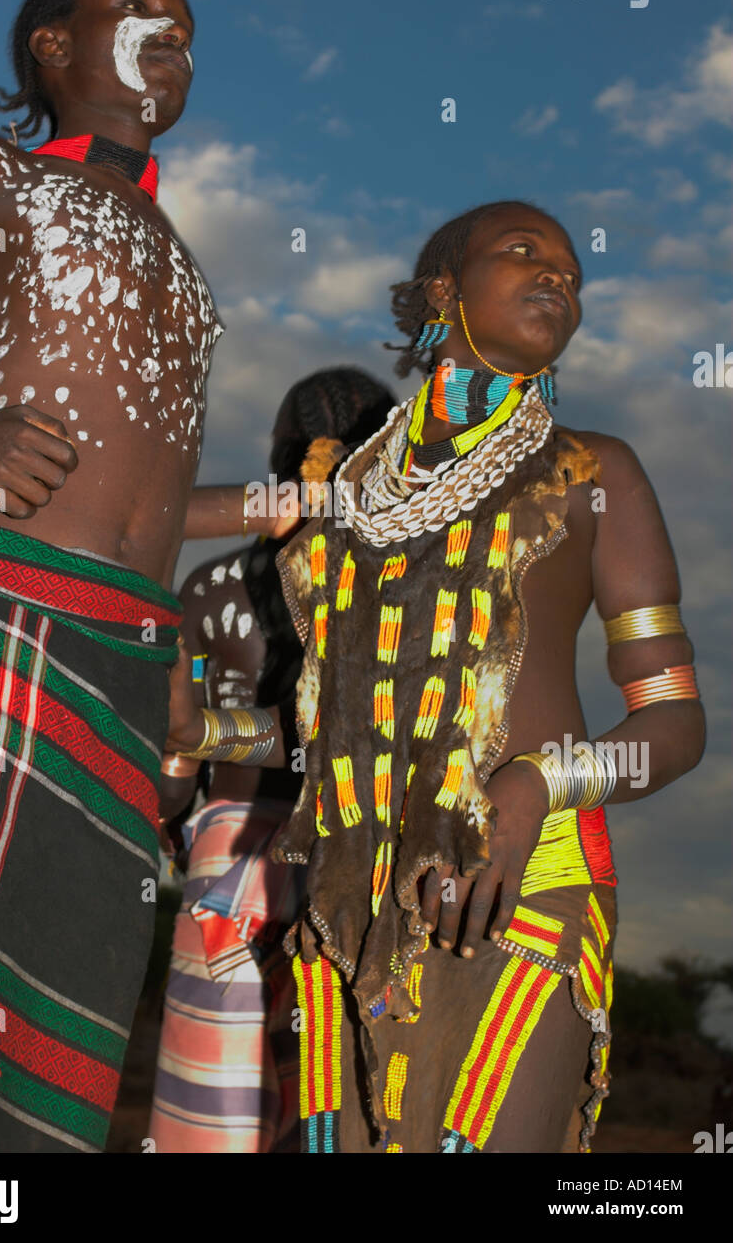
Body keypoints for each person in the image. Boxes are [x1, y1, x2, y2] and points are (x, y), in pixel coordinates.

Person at [165, 200, 705, 1154]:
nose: (559, 278)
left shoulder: (592, 473)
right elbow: (338, 729)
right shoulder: (347, 503)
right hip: (352, 910)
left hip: (525, 888)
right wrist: (204, 734)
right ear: (444, 292)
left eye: (575, 272)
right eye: (524, 252)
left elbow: (674, 723)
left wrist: (540, 784)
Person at [0, 0, 269, 1153]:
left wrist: (285, 511)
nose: (175, 45)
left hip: (127, 672)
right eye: (141, 15)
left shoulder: (185, 264)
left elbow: (143, 499)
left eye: (189, 33)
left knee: (58, 1044)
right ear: (52, 44)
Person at [150, 366, 395, 1153]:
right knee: (339, 1107)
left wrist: (178, 790)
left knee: (212, 1119)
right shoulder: (405, 586)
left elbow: (174, 761)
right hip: (362, 866)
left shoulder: (207, 587)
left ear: (276, 455)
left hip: (230, 872)